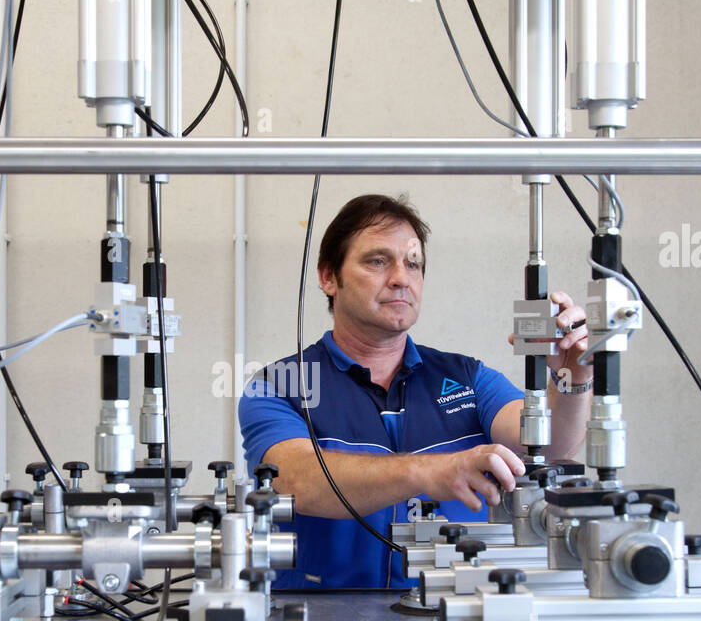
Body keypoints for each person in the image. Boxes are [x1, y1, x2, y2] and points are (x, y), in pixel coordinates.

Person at [239, 194, 592, 590]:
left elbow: (548, 447)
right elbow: (298, 480)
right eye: (377, 261)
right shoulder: (279, 385)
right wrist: (431, 470)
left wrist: (573, 377)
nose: (401, 278)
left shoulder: (468, 377)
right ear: (328, 277)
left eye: (413, 264)